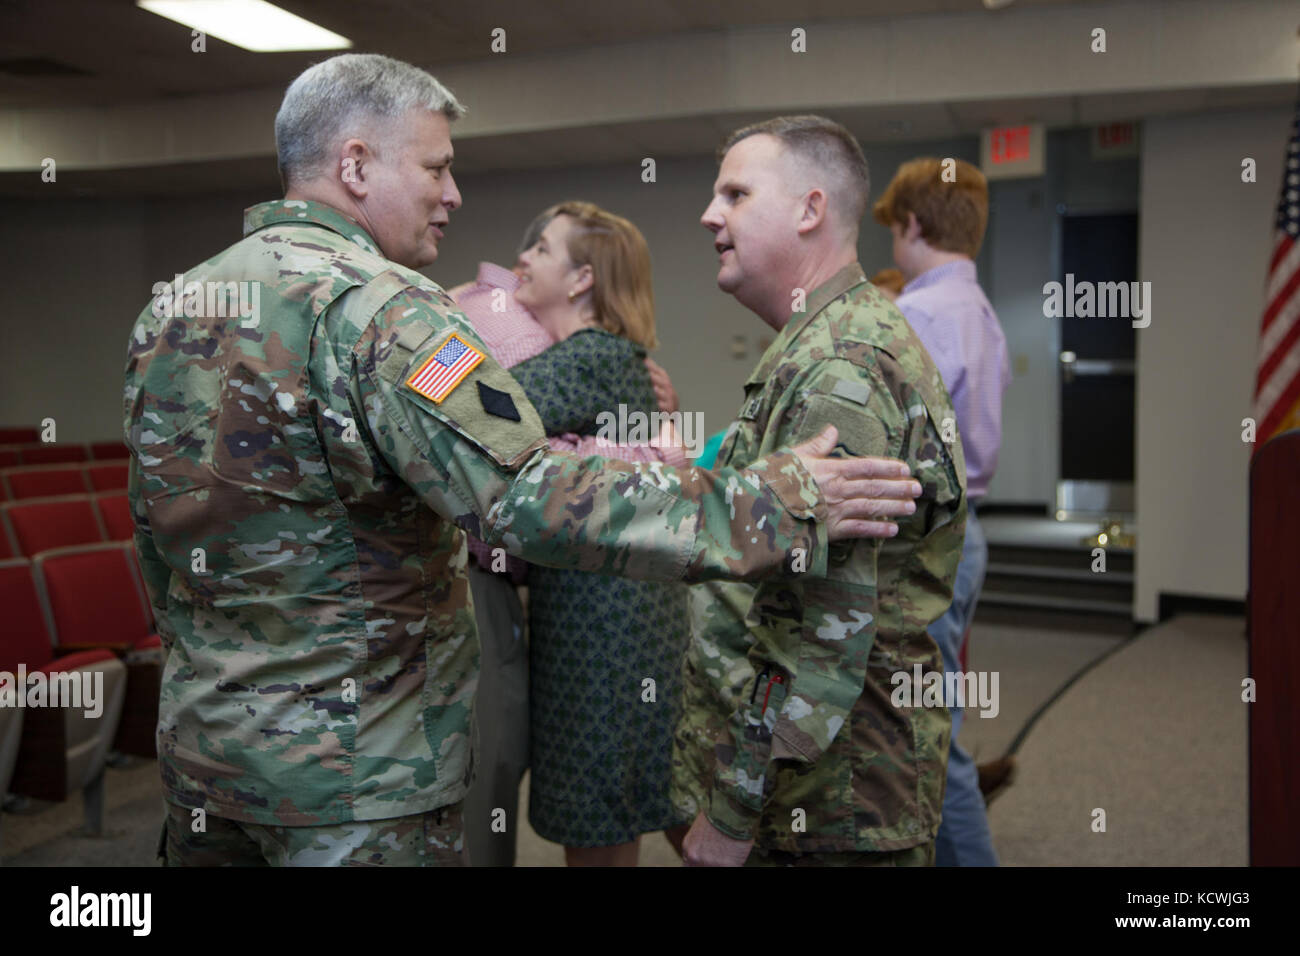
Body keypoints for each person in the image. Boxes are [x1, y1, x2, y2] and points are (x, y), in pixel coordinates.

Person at [124, 54, 922, 867]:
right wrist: (767, 502)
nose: (454, 193)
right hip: (351, 776)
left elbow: (154, 538)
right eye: (437, 166)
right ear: (355, 165)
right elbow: (526, 495)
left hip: (206, 759)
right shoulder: (385, 313)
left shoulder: (175, 308)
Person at [671, 115, 967, 867]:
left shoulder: (843, 367)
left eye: (735, 193)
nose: (711, 214)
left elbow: (819, 632)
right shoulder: (819, 344)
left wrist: (733, 812)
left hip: (828, 801)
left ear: (809, 210)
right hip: (815, 785)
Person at [450, 209, 686, 867]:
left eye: (542, 248)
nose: (523, 258)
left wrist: (431, 321)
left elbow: (467, 409)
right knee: (629, 807)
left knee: (602, 814)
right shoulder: (608, 356)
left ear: (582, 278)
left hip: (604, 627)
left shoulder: (590, 357)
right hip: (610, 613)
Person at [872, 156, 1011, 867]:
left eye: (894, 228)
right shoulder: (980, 311)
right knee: (931, 720)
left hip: (926, 535)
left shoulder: (915, 315)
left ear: (913, 224)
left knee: (931, 735)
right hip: (967, 530)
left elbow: (882, 434)